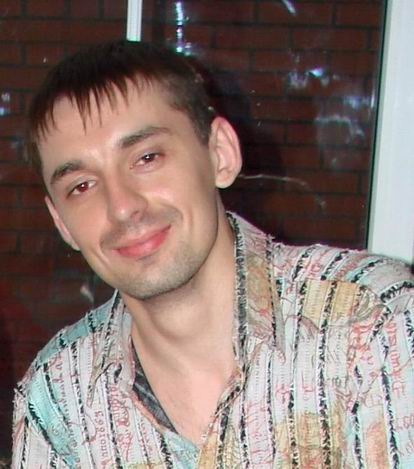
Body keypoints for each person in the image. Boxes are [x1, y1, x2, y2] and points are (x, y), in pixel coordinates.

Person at [12, 40, 414, 468]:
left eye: (147, 158)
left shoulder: (370, 321)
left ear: (220, 153)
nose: (122, 207)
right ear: (61, 222)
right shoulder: (58, 396)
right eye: (81, 186)